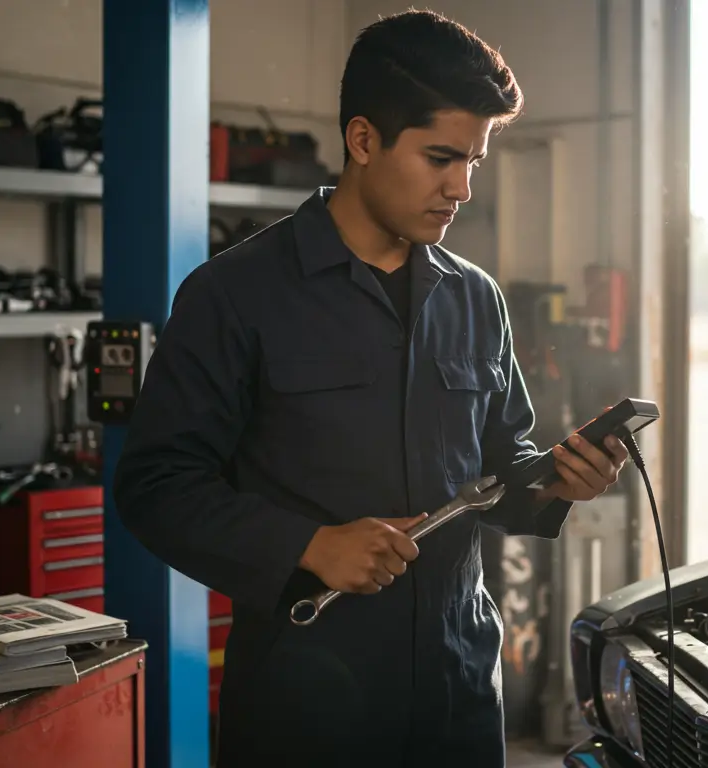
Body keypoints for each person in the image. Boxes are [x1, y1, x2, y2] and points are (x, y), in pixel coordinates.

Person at [113, 9, 629, 767]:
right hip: (307, 712)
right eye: (440, 158)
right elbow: (155, 486)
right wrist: (309, 545)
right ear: (363, 140)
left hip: (457, 699)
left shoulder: (474, 298)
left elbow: (501, 467)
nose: (461, 188)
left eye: (474, 164)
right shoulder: (236, 294)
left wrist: (560, 481)